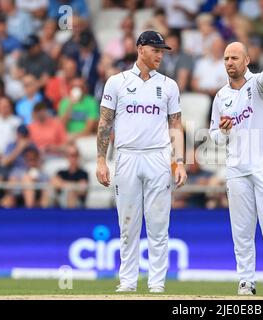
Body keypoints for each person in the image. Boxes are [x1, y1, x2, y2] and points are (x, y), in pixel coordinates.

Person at [96, 30, 187, 293]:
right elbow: (104, 123)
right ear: (140, 49)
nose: (160, 55)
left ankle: (157, 284)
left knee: (159, 225)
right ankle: (127, 282)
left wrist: (179, 161)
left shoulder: (169, 85)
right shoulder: (116, 82)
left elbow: (176, 125)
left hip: (158, 157)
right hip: (126, 156)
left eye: (162, 51)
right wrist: (101, 161)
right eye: (155, 49)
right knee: (128, 224)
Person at [209, 42, 263, 296]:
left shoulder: (258, 84)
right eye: (226, 58)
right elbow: (214, 135)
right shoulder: (220, 96)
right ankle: (246, 281)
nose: (229, 62)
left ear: (247, 60)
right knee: (242, 232)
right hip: (236, 169)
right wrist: (222, 132)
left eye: (235, 57)